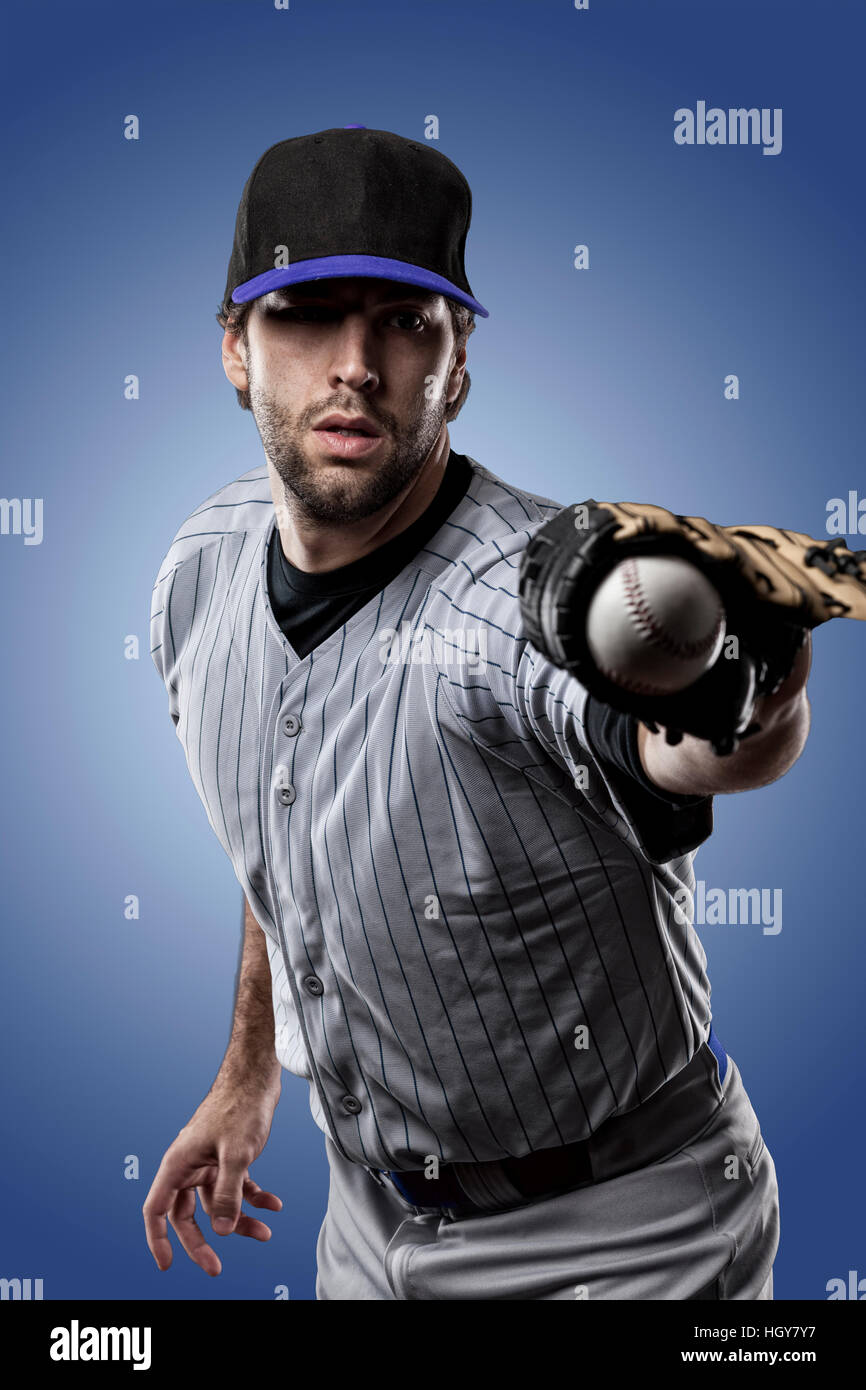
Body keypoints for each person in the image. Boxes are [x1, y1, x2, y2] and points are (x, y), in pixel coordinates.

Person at [144, 126, 806, 1299]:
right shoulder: (200, 571)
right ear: (236, 349)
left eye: (403, 320)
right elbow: (276, 846)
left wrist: (746, 680)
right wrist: (250, 1071)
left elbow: (692, 746)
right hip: (364, 1224)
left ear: (455, 364)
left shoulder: (522, 602)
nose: (352, 362)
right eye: (303, 311)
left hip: (625, 1242)